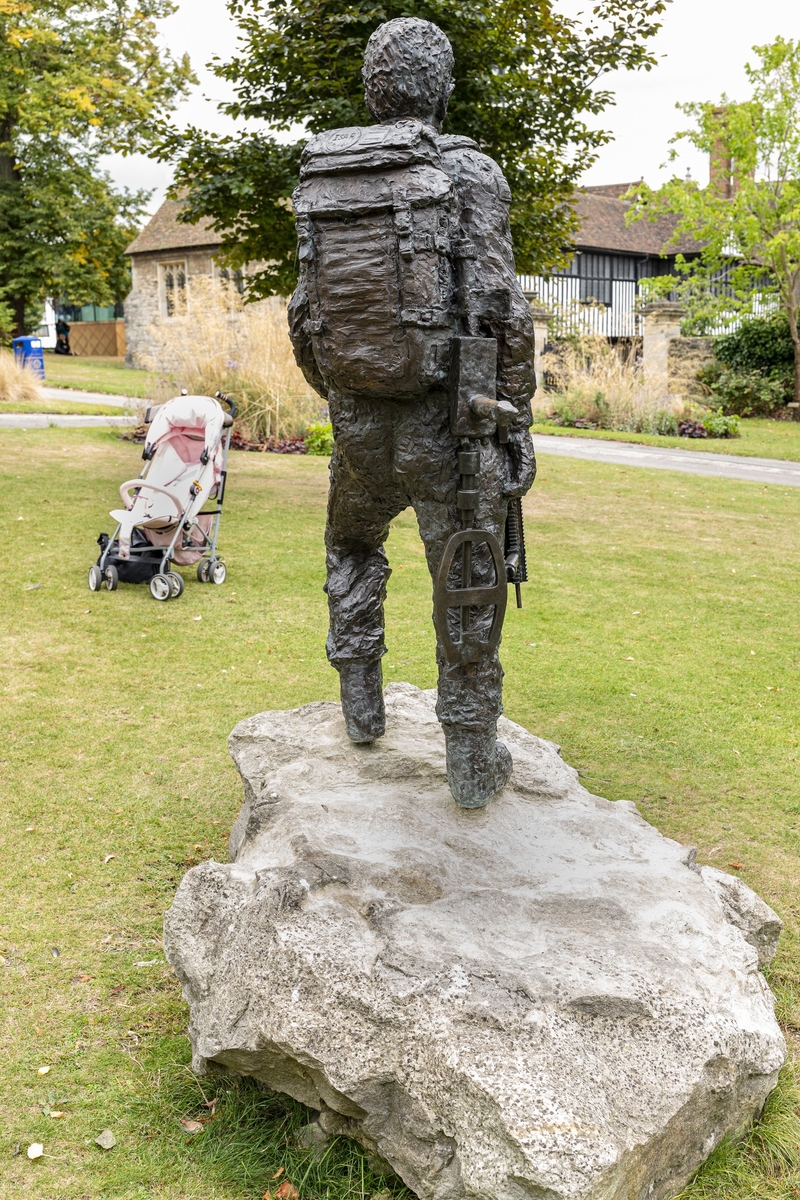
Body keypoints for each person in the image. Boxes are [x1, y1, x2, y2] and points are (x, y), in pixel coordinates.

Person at [288, 17, 536, 807]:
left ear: (373, 92)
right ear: (443, 89)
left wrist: (344, 391)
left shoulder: (328, 177)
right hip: (452, 427)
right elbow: (503, 308)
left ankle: (361, 708)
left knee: (350, 544)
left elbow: (303, 314)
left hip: (359, 422)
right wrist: (516, 418)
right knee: (467, 576)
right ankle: (470, 762)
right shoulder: (472, 173)